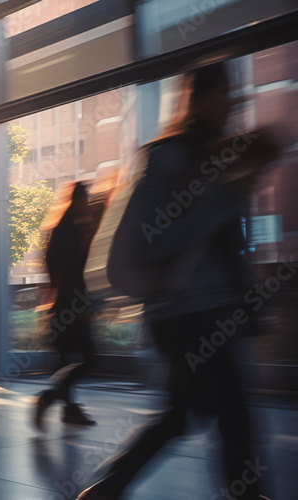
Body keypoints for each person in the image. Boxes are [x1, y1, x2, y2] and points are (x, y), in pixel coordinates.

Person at [78, 61, 279, 500]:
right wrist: (220, 200)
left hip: (206, 311)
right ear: (200, 98)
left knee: (186, 412)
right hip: (184, 312)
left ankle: (108, 489)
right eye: (224, 93)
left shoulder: (215, 156)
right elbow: (156, 241)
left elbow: (227, 251)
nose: (232, 102)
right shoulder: (168, 155)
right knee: (231, 412)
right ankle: (244, 493)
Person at [34, 182, 103, 429]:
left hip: (61, 304)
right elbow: (75, 271)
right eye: (87, 199)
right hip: (73, 304)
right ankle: (50, 399)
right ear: (80, 201)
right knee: (89, 358)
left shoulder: (60, 229)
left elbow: (54, 271)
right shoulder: (74, 230)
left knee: (66, 360)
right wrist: (80, 305)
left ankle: (67, 408)